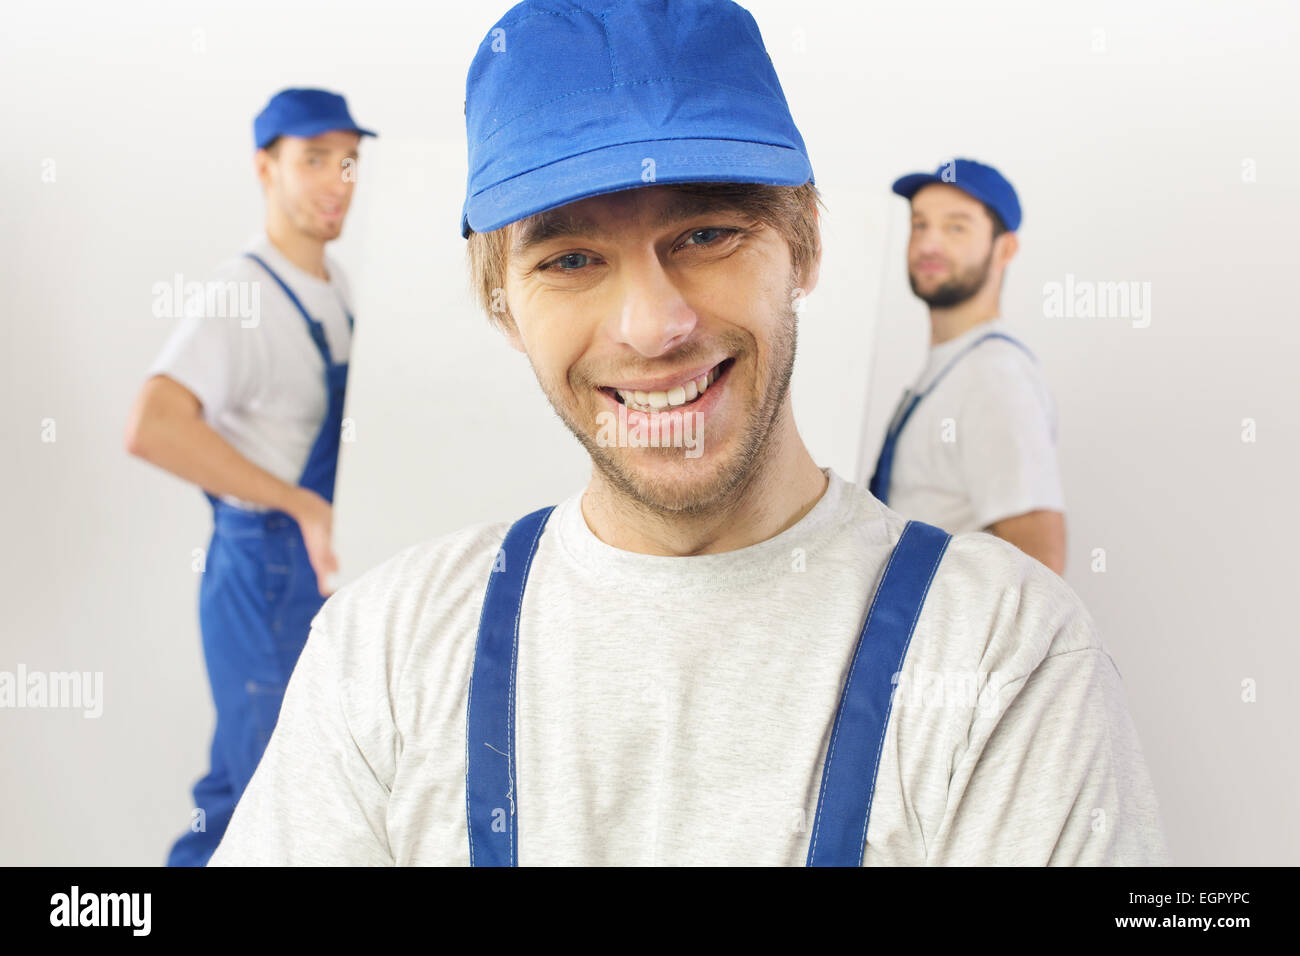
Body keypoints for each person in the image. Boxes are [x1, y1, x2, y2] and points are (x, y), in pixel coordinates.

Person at [208, 0, 1169, 866]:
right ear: (503, 306)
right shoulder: (382, 653)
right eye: (571, 258)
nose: (653, 326)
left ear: (805, 244)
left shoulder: (1005, 658)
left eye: (706, 234)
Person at [123, 88, 376, 866]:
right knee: (281, 797)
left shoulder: (336, 286)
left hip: (304, 571)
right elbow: (152, 425)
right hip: (260, 572)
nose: (337, 180)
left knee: (240, 791)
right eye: (313, 160)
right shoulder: (241, 296)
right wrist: (300, 503)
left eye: (349, 161)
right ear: (265, 168)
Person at [868, 158, 1067, 573]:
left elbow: (1043, 564)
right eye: (920, 225)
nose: (929, 244)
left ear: (1005, 249)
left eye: (956, 227)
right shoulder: (952, 368)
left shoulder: (995, 377)